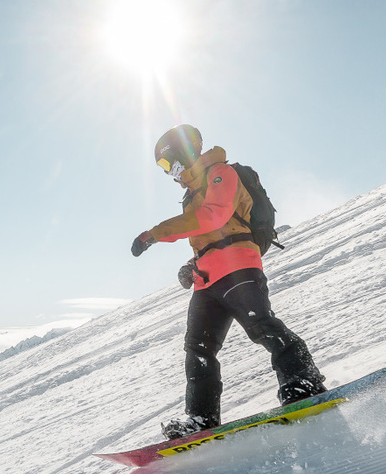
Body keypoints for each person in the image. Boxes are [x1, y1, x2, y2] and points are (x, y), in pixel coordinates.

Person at [131, 124, 326, 438]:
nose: (169, 172)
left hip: (239, 268)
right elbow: (208, 237)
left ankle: (303, 381)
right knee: (198, 349)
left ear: (184, 152)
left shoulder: (221, 174)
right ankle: (201, 419)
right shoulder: (190, 194)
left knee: (261, 325)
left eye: (169, 163)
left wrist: (155, 233)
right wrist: (192, 266)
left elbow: (215, 217)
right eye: (163, 168)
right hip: (207, 282)